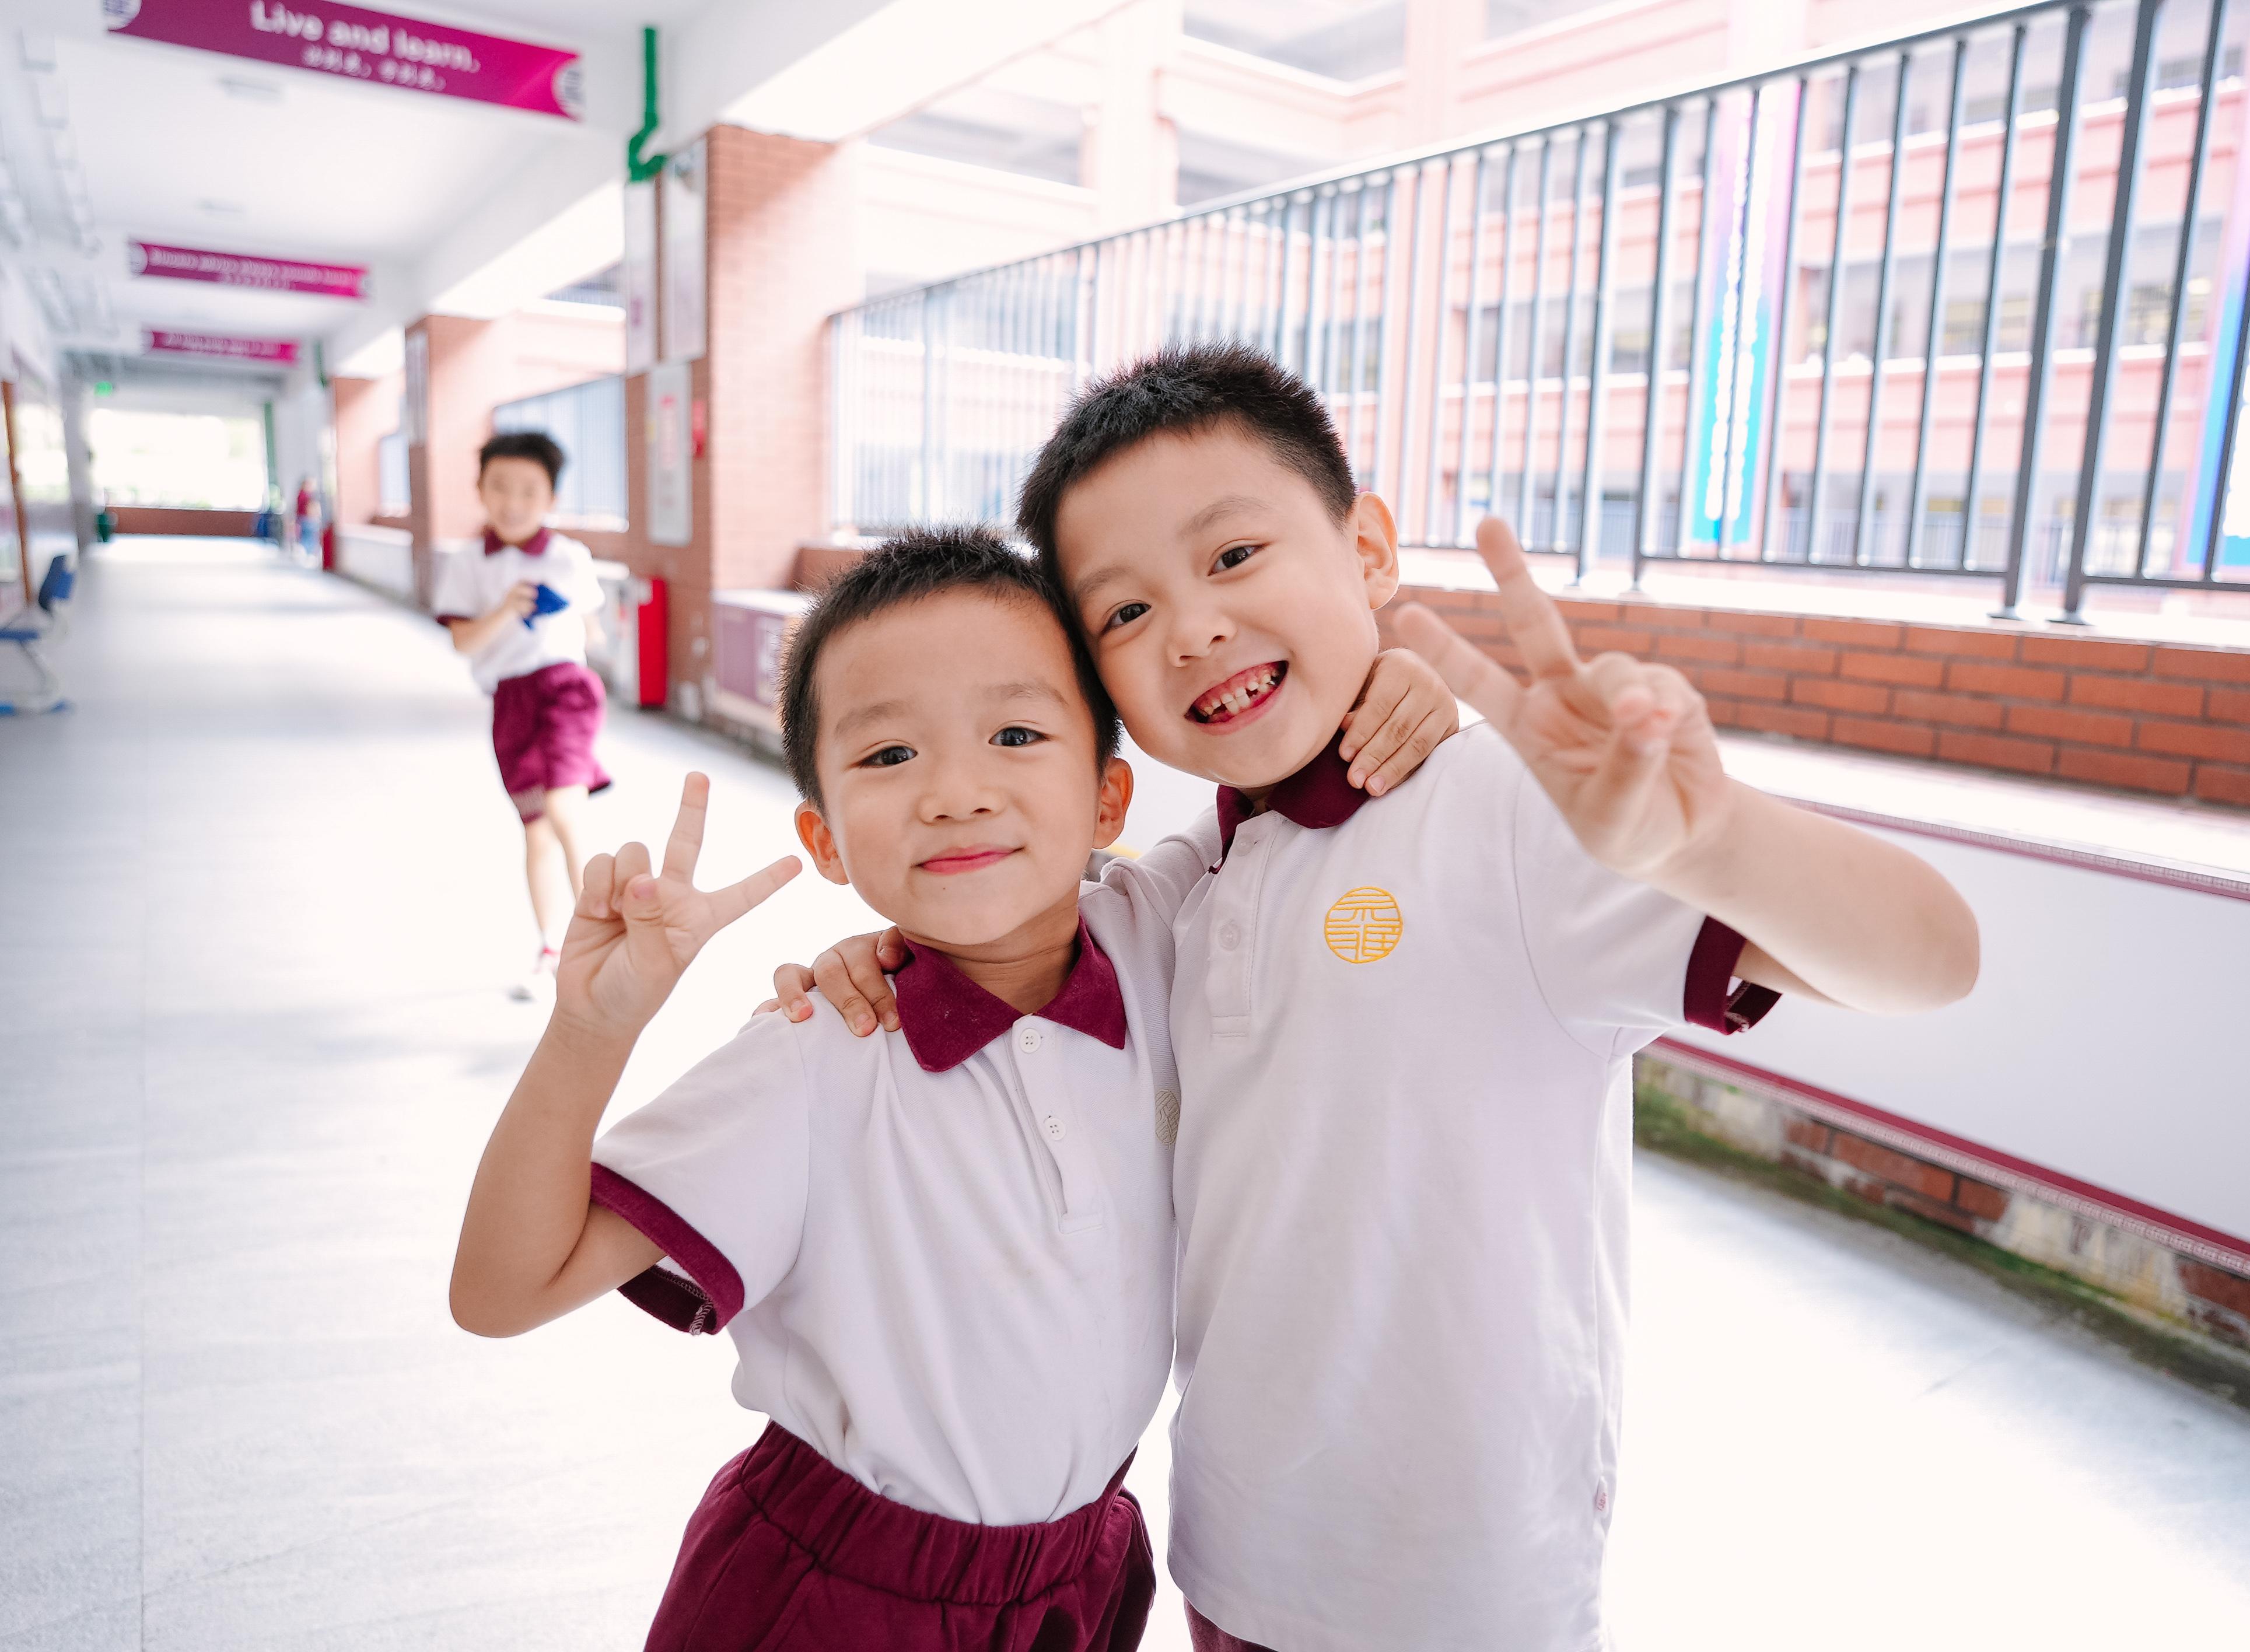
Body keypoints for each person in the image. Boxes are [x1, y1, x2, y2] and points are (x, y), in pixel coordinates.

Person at [769, 344, 1982, 1652]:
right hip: (1237, 1557)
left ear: (1368, 551)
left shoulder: (1508, 819)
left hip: (1463, 1596)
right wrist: (879, 959)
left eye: (1235, 555)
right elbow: (1007, 955)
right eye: (1122, 613)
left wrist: (1708, 839)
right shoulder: (1182, 887)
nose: (1192, 628)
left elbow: (1932, 957)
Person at [449, 527, 1460, 1651]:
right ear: (826, 839)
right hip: (832, 1599)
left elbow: (1296, 771)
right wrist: (592, 1028)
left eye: (1016, 734)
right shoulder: (818, 1049)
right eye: (890, 755)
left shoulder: (1163, 927)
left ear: (1109, 798)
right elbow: (502, 1290)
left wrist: (1403, 689)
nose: (956, 792)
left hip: (1076, 1578)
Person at [431, 430, 611, 996]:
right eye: (501, 487)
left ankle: (602, 941)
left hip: (565, 691)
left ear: (551, 498)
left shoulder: (569, 557)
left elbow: (592, 626)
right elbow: (463, 642)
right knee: (537, 833)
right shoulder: (467, 562)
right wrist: (508, 610)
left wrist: (587, 638)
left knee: (564, 809)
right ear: (480, 489)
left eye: (529, 490)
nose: (513, 501)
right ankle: (551, 950)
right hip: (511, 703)